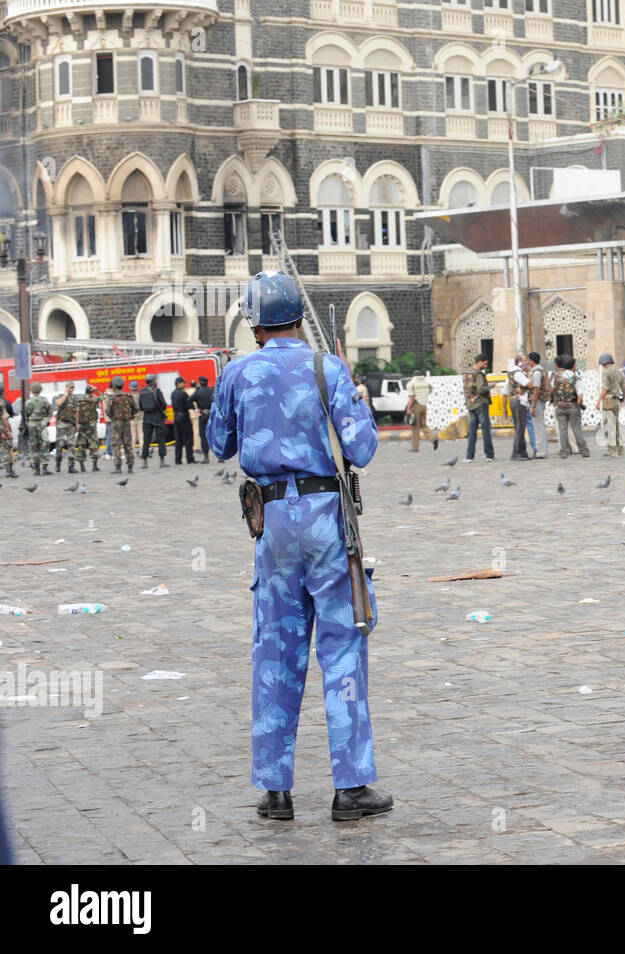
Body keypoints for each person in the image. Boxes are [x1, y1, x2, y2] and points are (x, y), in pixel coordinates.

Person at [207, 270, 390, 822]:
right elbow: (361, 449)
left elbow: (219, 444)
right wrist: (357, 400)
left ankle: (275, 790)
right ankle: (351, 788)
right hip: (326, 520)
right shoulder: (326, 367)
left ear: (254, 323)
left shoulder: (237, 373)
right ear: (297, 317)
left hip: (271, 523)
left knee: (275, 653)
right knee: (342, 645)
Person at [552, 354, 589, 458]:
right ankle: (584, 451)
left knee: (562, 429)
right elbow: (580, 397)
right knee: (576, 429)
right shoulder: (576, 379)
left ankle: (564, 451)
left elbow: (553, 390)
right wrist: (578, 406)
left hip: (560, 406)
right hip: (572, 406)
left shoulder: (558, 378)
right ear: (573, 366)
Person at [462, 353, 494, 463]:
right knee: (485, 430)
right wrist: (490, 386)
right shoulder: (479, 374)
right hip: (481, 403)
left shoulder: (466, 373)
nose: (486, 366)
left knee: (472, 431)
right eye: (485, 364)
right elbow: (481, 389)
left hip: (470, 405)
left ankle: (469, 456)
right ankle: (489, 455)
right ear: (480, 362)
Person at [105, 376, 137, 474]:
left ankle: (118, 467)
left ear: (114, 387)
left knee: (116, 445)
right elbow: (135, 409)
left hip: (115, 424)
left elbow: (108, 412)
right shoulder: (129, 396)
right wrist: (130, 416)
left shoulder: (112, 397)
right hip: (127, 423)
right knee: (128, 444)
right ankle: (130, 466)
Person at [597, 353, 624, 456]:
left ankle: (612, 449)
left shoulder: (606, 372)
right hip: (617, 399)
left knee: (609, 425)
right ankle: (620, 447)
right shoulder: (618, 371)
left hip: (608, 400)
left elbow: (605, 388)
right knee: (616, 424)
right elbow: (624, 386)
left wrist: (599, 401)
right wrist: (624, 398)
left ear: (604, 363)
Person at [405, 371, 439, 453]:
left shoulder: (411, 383)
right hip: (424, 405)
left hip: (416, 405)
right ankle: (433, 439)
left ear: (413, 375)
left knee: (415, 427)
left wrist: (408, 408)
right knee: (424, 425)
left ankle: (415, 448)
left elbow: (412, 397)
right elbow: (430, 391)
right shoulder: (426, 383)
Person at [138, 373, 168, 468]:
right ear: (153, 381)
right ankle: (162, 461)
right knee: (161, 439)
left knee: (146, 439)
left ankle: (145, 462)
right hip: (157, 416)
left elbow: (140, 406)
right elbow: (163, 405)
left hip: (146, 417)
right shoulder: (157, 391)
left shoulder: (142, 392)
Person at [507, 356, 531, 461]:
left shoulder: (513, 372)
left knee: (520, 427)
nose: (527, 363)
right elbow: (529, 384)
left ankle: (522, 452)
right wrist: (529, 372)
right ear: (520, 363)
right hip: (519, 401)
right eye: (525, 361)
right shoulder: (517, 373)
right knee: (520, 428)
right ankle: (516, 453)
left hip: (517, 401)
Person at [24, 383, 51, 476]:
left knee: (34, 445)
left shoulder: (28, 402)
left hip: (32, 425)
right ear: (40, 390)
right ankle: (45, 468)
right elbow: (49, 413)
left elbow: (26, 415)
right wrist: (45, 421)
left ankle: (36, 469)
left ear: (32, 391)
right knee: (44, 444)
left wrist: (30, 422)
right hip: (42, 425)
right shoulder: (44, 401)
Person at [528, 351, 549, 459]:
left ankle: (541, 451)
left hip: (538, 401)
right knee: (540, 426)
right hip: (541, 400)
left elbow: (536, 389)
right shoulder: (541, 370)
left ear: (532, 360)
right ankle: (542, 450)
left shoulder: (536, 372)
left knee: (538, 427)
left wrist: (533, 405)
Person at [170, 376, 195, 465]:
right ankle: (190, 458)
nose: (184, 384)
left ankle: (178, 459)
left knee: (178, 439)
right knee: (188, 438)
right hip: (184, 417)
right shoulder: (183, 394)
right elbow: (190, 405)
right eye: (183, 383)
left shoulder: (173, 393)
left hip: (176, 417)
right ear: (179, 383)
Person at [53, 382, 76, 473]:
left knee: (71, 445)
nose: (71, 389)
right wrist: (66, 395)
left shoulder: (74, 399)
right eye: (70, 388)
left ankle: (71, 466)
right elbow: (58, 404)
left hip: (70, 424)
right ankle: (58, 463)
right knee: (60, 445)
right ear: (66, 388)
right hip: (61, 424)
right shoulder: (61, 396)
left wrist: (76, 424)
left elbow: (76, 411)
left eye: (73, 388)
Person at [192, 375, 214, 464]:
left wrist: (196, 409)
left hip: (203, 414)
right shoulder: (212, 390)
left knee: (203, 435)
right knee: (215, 434)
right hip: (212, 414)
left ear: (200, 383)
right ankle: (220, 457)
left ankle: (206, 457)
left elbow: (188, 400)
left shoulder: (198, 392)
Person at [128, 381, 143, 454]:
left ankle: (132, 452)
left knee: (132, 435)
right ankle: (142, 451)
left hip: (131, 418)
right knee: (141, 435)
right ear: (137, 388)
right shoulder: (140, 396)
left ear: (130, 388)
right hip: (140, 417)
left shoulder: (128, 397)